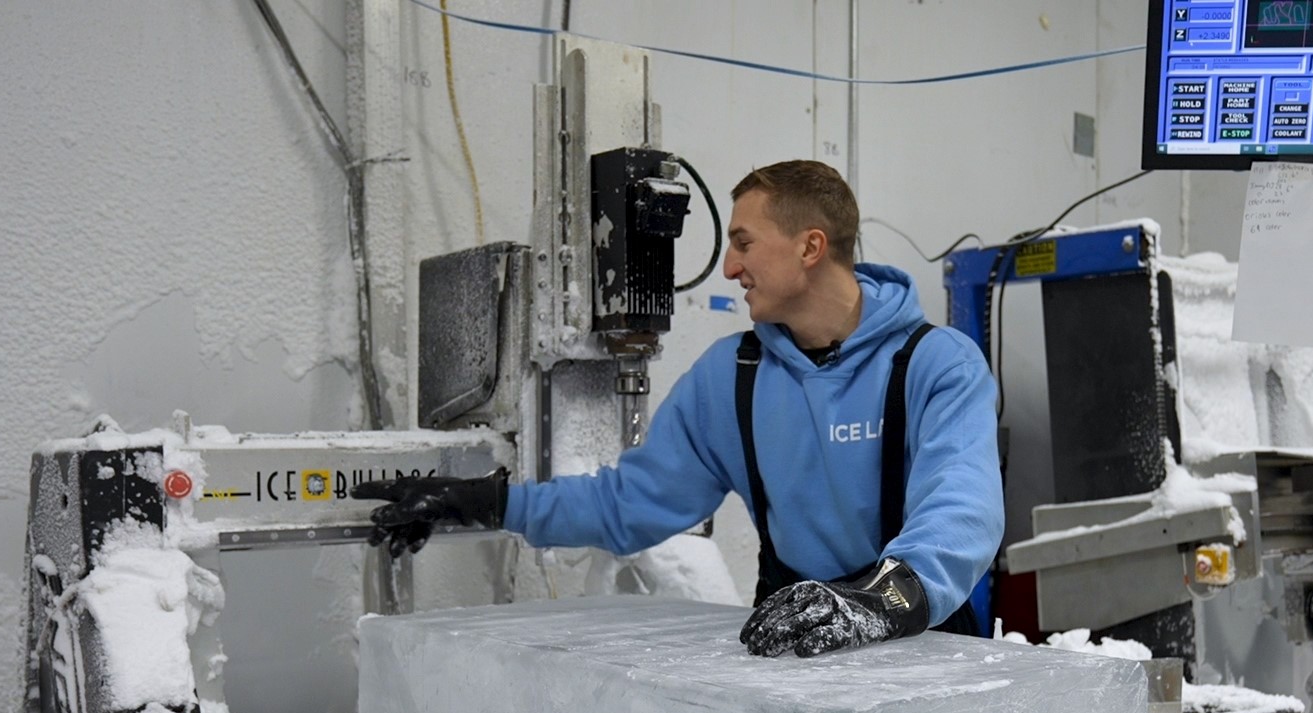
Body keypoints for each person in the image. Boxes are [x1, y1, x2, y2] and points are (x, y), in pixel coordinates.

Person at [356, 160, 1003, 658]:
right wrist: (487, 504)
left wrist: (872, 604)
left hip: (923, 649)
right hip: (790, 653)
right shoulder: (731, 378)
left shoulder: (936, 364)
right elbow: (627, 504)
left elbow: (961, 514)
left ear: (810, 248)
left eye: (745, 244)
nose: (728, 267)